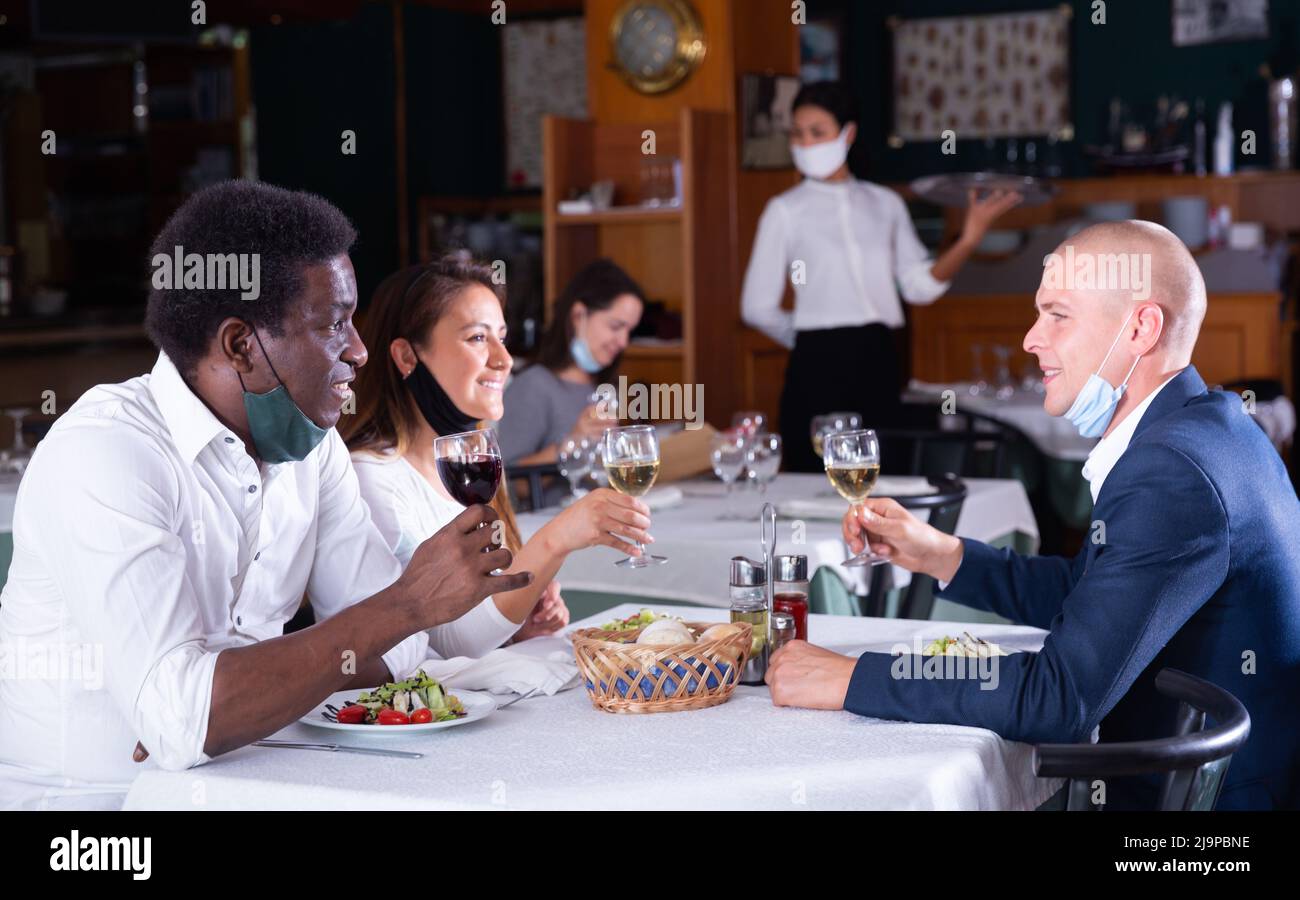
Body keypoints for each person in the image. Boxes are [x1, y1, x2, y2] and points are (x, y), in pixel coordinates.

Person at [0, 181, 531, 810]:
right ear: (241, 345)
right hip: (94, 812)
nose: (358, 350)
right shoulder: (107, 451)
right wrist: (404, 605)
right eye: (335, 323)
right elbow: (190, 722)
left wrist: (230, 696)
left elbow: (403, 655)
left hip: (242, 782)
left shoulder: (314, 449)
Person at [766, 220, 1300, 810]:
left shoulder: (1171, 472)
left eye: (1058, 315)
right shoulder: (1208, 428)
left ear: (1142, 328)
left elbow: (1060, 700)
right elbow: (1092, 595)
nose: (1030, 339)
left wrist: (850, 679)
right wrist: (942, 553)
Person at [342, 255, 655, 656]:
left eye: (501, 338)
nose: (504, 360)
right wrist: (555, 541)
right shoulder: (373, 479)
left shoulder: (477, 463)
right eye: (477, 338)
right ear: (407, 357)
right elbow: (450, 641)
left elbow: (475, 624)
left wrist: (518, 622)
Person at [741, 81, 1021, 472]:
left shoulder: (884, 203)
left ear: (848, 134)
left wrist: (970, 238)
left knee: (884, 483)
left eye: (817, 132)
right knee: (812, 484)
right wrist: (810, 335)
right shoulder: (784, 210)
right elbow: (756, 306)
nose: (805, 143)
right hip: (815, 366)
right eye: (797, 134)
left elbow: (920, 286)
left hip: (879, 359)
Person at [497, 258, 644, 469]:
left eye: (629, 330)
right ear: (578, 315)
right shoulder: (534, 386)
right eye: (615, 326)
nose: (623, 342)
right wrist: (573, 442)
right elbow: (508, 483)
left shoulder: (604, 388)